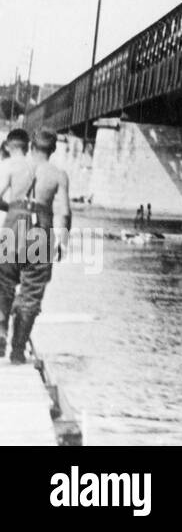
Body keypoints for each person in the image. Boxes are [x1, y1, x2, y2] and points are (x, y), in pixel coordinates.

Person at [0, 129, 70, 363]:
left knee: (3, 284)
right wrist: (62, 241)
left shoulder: (12, 166)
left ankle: (0, 338)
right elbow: (64, 213)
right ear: (53, 150)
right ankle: (18, 352)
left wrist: (11, 208)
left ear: (31, 146)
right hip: (41, 230)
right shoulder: (59, 175)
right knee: (30, 295)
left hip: (13, 226)